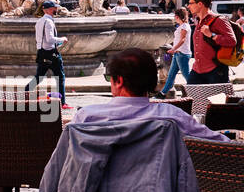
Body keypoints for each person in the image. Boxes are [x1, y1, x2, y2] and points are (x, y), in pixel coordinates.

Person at [71, 47, 226, 141]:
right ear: (153, 81)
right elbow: (220, 143)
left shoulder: (86, 118)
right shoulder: (174, 118)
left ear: (118, 81)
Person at [186, 0, 233, 84]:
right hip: (197, 69)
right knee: (191, 97)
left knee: (217, 99)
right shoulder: (199, 21)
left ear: (200, 4)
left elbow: (232, 41)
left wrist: (212, 35)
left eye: (191, 3)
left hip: (215, 70)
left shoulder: (219, 20)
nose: (188, 6)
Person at [30, 0, 67, 102]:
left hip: (41, 52)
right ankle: (62, 102)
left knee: (39, 77)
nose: (56, 9)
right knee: (60, 77)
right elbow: (49, 39)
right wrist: (62, 39)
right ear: (49, 10)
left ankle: (26, 92)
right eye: (54, 8)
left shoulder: (39, 21)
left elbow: (40, 40)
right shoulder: (49, 22)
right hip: (51, 53)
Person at [158, 8, 192, 98]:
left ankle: (196, 91)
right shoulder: (182, 26)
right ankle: (162, 94)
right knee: (171, 75)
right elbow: (178, 40)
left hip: (182, 54)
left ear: (177, 17)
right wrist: (173, 48)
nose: (174, 18)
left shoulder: (184, 26)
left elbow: (183, 40)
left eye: (175, 16)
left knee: (186, 75)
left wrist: (173, 49)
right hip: (178, 54)